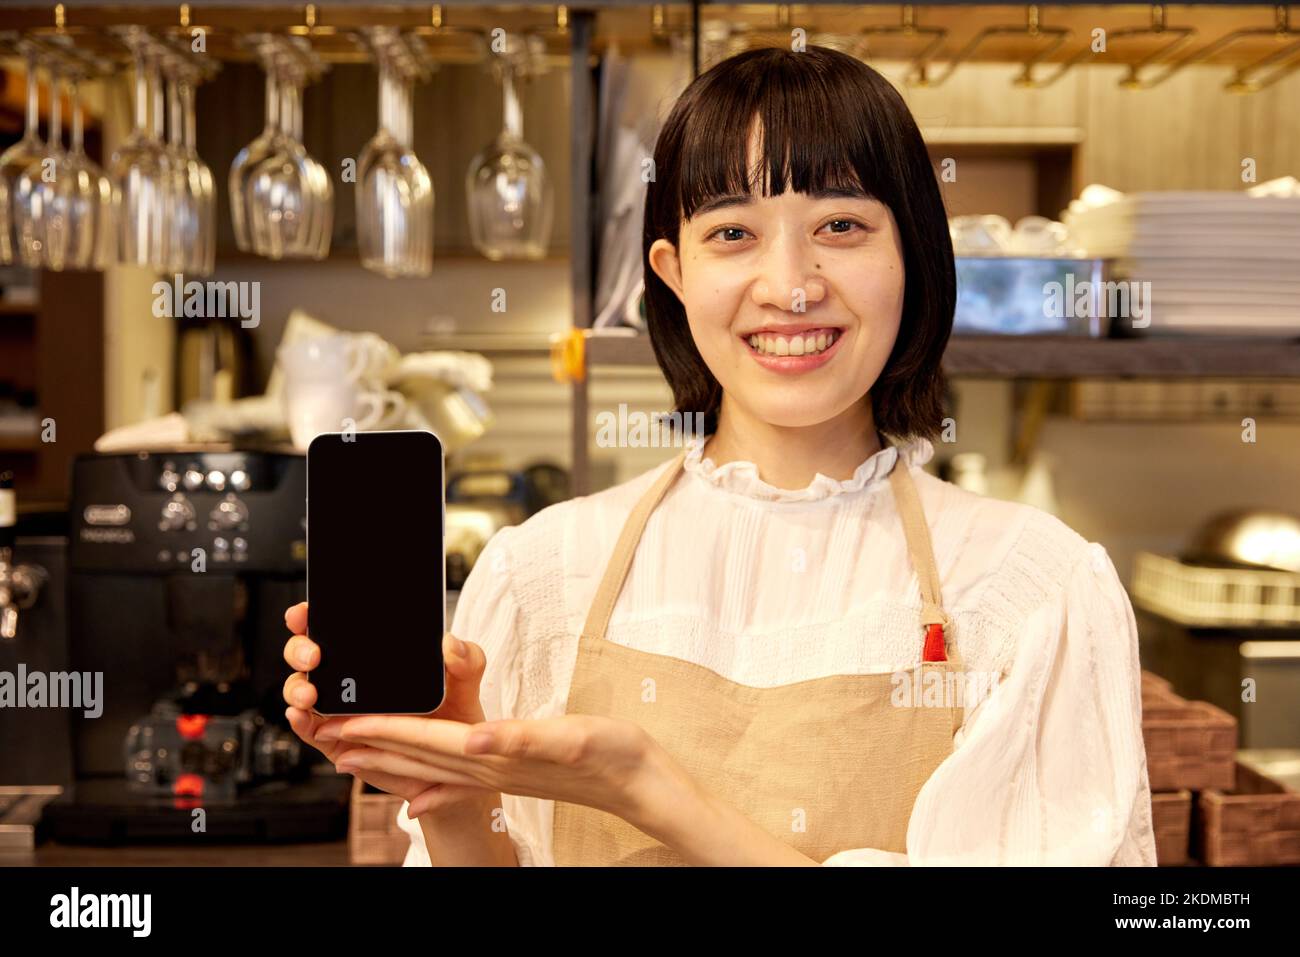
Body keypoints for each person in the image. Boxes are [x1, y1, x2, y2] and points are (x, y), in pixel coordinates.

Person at [282, 45, 1155, 866]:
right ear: (673, 272)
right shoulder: (543, 573)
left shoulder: (1028, 589)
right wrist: (454, 794)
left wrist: (652, 792)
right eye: (733, 233)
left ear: (914, 257)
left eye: (841, 224)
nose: (791, 286)